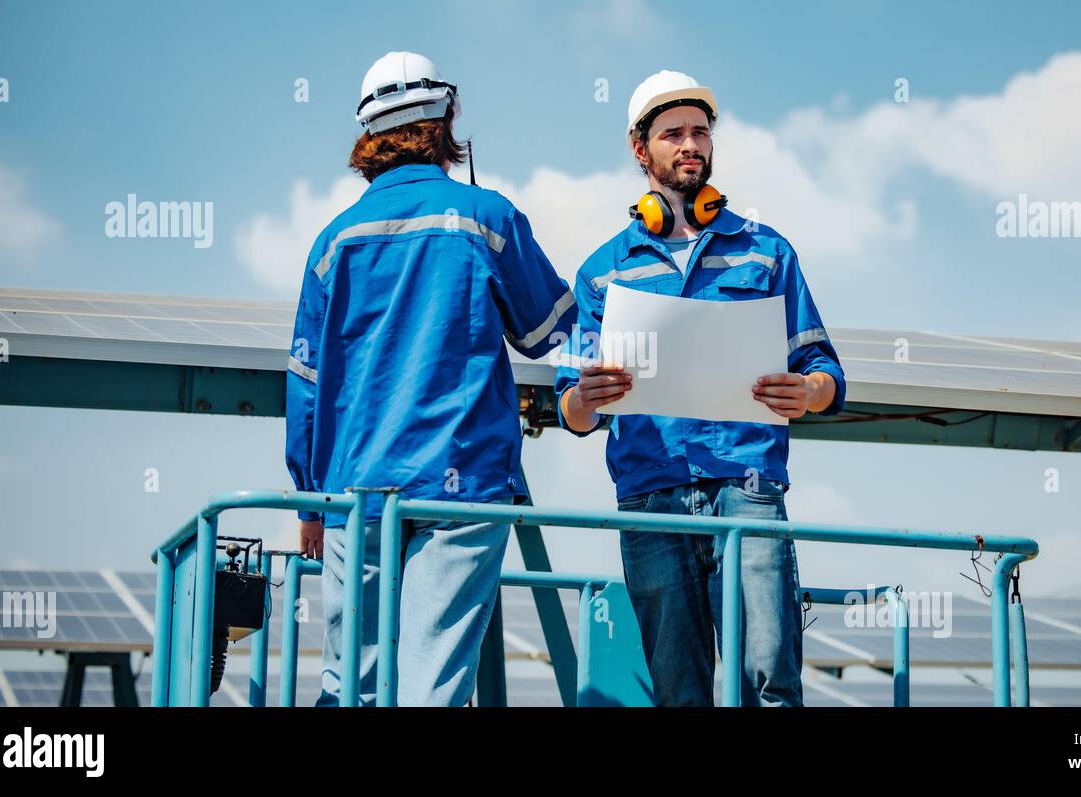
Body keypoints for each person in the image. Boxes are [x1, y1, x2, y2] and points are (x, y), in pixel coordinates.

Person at [285, 51, 577, 706]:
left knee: (347, 683)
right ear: (444, 119)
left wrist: (310, 501)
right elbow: (551, 331)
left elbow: (304, 381)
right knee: (432, 684)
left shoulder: (332, 241)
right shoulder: (486, 216)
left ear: (369, 134)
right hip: (460, 487)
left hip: (352, 495)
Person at [554, 70, 846, 706]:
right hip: (651, 498)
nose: (691, 144)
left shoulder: (767, 252)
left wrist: (812, 392)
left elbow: (823, 366)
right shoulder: (603, 272)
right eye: (674, 133)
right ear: (641, 151)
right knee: (679, 694)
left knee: (769, 682)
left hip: (749, 491)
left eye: (701, 132)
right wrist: (586, 398)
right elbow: (570, 410)